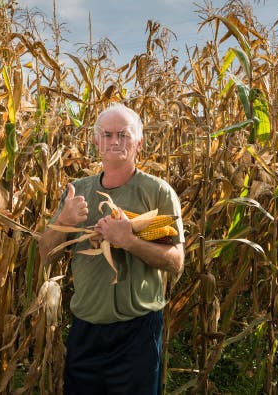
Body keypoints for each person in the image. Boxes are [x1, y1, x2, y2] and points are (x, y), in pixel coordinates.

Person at [39, 103, 185, 395]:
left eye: (124, 134)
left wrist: (128, 240)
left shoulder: (154, 193)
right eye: (107, 135)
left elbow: (175, 262)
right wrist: (64, 221)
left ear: (139, 143)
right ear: (96, 142)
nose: (115, 141)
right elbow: (45, 254)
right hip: (86, 329)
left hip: (136, 333)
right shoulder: (77, 191)